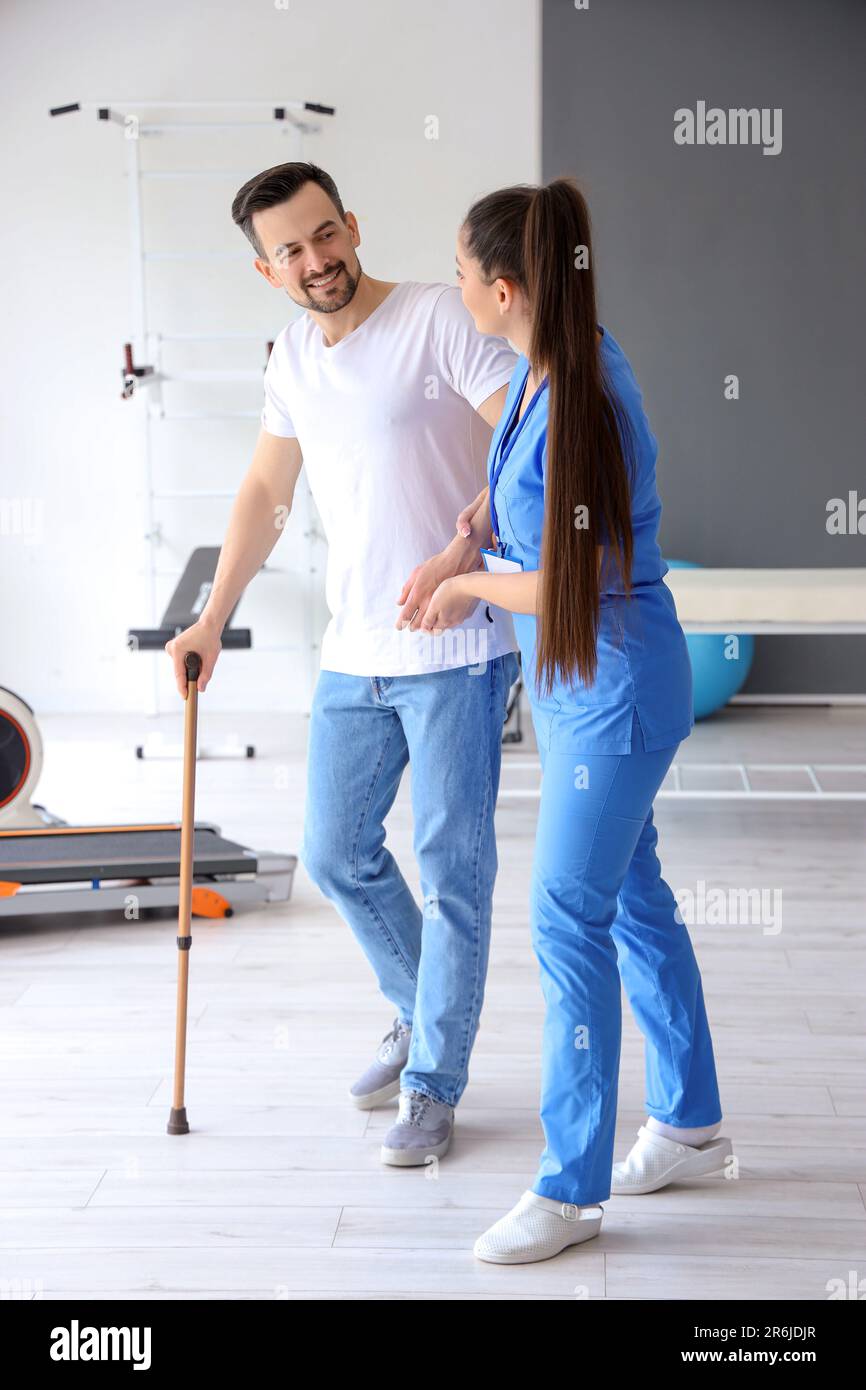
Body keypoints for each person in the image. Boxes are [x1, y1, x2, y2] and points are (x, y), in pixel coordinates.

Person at [165, 162, 521, 1167]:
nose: (317, 260)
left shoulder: (434, 320)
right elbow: (264, 497)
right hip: (353, 648)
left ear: (350, 224)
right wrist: (208, 620)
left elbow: (523, 450)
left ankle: (433, 1083)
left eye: (326, 234)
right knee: (335, 852)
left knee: (454, 870)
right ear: (265, 269)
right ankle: (420, 1011)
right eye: (292, 250)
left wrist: (466, 551)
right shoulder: (289, 356)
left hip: (454, 644)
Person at [414, 178, 730, 1263]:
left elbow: (577, 573)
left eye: (460, 272)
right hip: (583, 689)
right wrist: (467, 539)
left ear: (502, 290)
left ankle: (568, 1187)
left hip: (610, 689)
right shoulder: (559, 359)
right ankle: (687, 1122)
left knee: (566, 918)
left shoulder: (580, 389)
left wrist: (463, 592)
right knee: (631, 899)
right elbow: (527, 498)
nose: (454, 286)